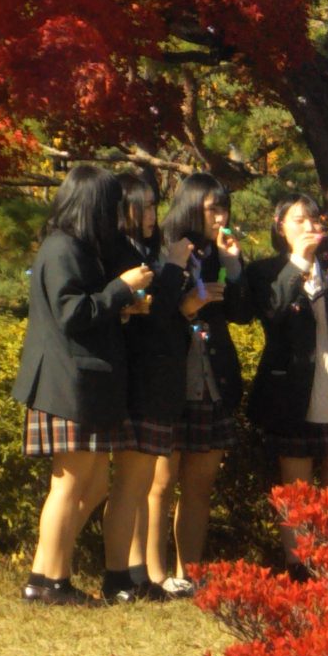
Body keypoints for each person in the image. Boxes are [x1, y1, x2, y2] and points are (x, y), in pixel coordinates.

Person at [14, 164, 156, 604]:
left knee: (91, 485)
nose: (116, 216)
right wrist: (119, 291)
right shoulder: (61, 249)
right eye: (111, 206)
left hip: (83, 382)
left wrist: (121, 295)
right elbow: (72, 313)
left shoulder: (83, 247)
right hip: (67, 381)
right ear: (93, 206)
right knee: (69, 484)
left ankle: (48, 574)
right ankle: (48, 582)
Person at [145, 171, 255, 594]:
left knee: (199, 482)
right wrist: (186, 307)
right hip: (170, 377)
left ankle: (188, 573)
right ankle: (154, 575)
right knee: (159, 481)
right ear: (192, 205)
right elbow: (152, 317)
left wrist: (231, 264)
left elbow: (244, 313)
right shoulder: (164, 248)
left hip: (211, 376)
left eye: (225, 206)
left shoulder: (217, 252)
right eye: (214, 207)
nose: (222, 215)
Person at [247, 194, 328, 491]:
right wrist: (299, 262)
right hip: (292, 395)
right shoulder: (264, 272)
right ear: (280, 227)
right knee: (296, 497)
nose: (309, 225)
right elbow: (273, 311)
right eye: (299, 219)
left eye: (314, 219)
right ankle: (299, 542)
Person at [105, 165, 190, 603]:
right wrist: (174, 268)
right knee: (131, 482)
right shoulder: (121, 251)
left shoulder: (145, 248)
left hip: (157, 376)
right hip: (136, 376)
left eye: (155, 206)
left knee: (138, 482)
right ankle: (125, 574)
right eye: (144, 206)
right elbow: (152, 315)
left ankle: (136, 574)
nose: (153, 214)